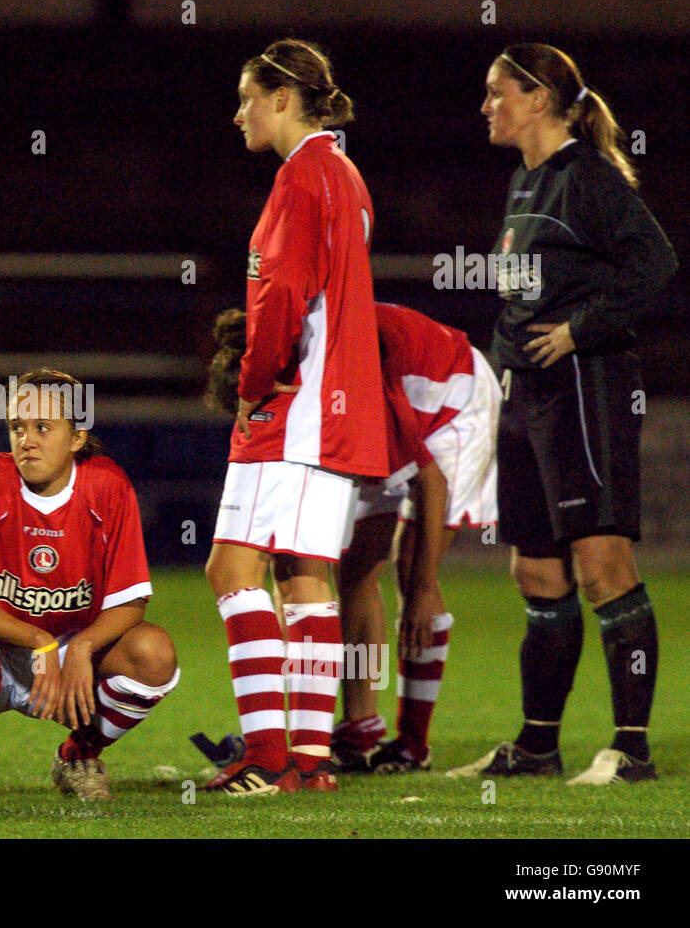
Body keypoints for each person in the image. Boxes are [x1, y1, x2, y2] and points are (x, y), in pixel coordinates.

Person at [449, 44, 676, 785]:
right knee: (535, 570)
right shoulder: (527, 180)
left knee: (602, 565)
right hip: (527, 394)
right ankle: (538, 747)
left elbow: (656, 263)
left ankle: (631, 749)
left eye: (497, 93)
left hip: (584, 388)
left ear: (538, 98)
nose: (486, 106)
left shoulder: (589, 179)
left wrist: (582, 330)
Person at [203, 39, 388, 797]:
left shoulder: (298, 179)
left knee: (230, 568)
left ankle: (267, 754)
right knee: (305, 577)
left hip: (296, 409)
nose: (239, 111)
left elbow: (280, 298)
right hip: (341, 410)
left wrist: (253, 382)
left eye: (248, 96)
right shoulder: (346, 175)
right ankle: (307, 765)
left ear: (284, 98)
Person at [0, 369, 179, 802]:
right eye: (17, 427)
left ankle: (78, 757)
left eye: (42, 427)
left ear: (75, 438)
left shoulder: (108, 487)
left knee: (154, 654)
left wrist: (84, 647)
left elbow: (130, 603)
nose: (26, 440)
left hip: (72, 650)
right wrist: (39, 643)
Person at [330, 302, 500, 774]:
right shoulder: (330, 358)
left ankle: (413, 743)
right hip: (407, 386)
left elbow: (430, 482)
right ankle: (360, 727)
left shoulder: (358, 375)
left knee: (411, 570)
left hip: (455, 398)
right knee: (357, 568)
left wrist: (423, 589)